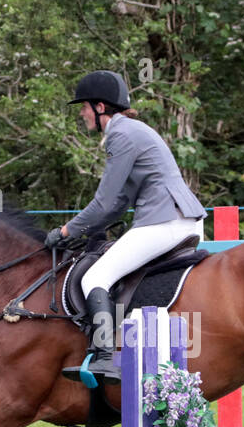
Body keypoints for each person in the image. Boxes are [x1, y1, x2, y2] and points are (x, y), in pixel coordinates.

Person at [46, 70, 206, 384]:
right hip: (175, 219)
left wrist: (66, 232)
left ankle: (105, 358)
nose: (81, 113)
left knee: (96, 276)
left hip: (165, 222)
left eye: (84, 107)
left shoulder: (120, 134)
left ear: (100, 107)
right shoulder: (132, 130)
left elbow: (105, 203)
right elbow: (118, 202)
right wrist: (89, 230)